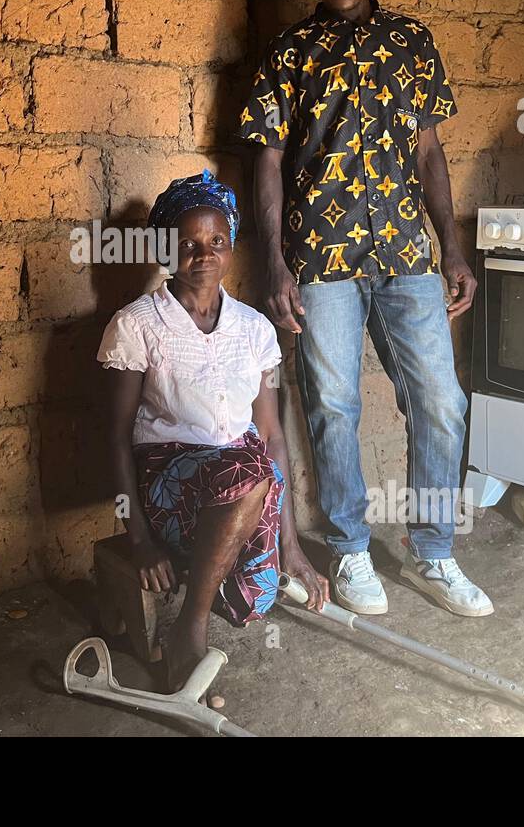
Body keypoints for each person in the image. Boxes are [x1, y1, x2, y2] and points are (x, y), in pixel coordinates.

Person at [238, 0, 494, 618]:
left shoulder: (412, 40)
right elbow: (267, 161)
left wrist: (452, 244)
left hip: (406, 253)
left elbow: (429, 152)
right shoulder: (290, 53)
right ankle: (350, 548)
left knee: (442, 401)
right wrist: (274, 266)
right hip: (321, 256)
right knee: (334, 404)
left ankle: (434, 551)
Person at [99, 171, 329, 690]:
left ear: (230, 249)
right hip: (170, 481)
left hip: (247, 476)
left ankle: (224, 575)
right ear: (165, 249)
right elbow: (115, 436)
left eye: (217, 242)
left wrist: (292, 547)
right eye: (189, 244)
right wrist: (138, 539)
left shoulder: (254, 328)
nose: (204, 255)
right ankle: (190, 629)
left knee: (256, 600)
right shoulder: (137, 324)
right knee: (249, 473)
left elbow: (270, 435)